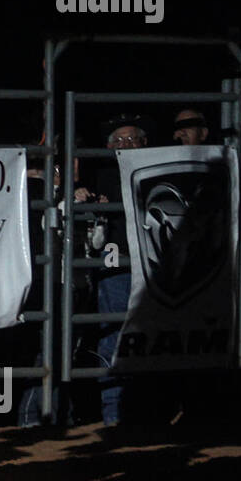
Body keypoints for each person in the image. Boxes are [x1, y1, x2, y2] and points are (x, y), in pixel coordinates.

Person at [88, 112, 153, 425]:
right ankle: (113, 412)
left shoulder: (158, 170)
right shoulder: (99, 172)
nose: (127, 144)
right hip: (117, 267)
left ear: (145, 143)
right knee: (114, 334)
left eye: (133, 138)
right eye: (119, 139)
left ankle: (147, 410)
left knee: (151, 336)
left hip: (153, 265)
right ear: (108, 145)